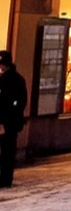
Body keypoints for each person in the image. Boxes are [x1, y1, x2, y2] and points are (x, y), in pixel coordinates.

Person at [0, 49, 28, 189]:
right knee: (9, 150)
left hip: (6, 121)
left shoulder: (5, 80)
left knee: (5, 150)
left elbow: (4, 103)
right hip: (13, 121)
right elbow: (22, 101)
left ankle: (4, 178)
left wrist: (2, 121)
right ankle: (6, 178)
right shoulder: (19, 79)